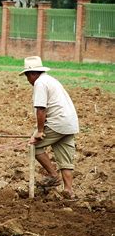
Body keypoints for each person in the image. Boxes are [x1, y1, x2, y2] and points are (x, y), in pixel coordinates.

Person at [20, 56, 79, 200]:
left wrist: (39, 132)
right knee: (65, 159)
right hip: (70, 123)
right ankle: (69, 191)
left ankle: (53, 176)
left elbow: (41, 108)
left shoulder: (40, 83)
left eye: (27, 76)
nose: (28, 80)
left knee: (34, 146)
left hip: (57, 122)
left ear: (32, 74)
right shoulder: (51, 80)